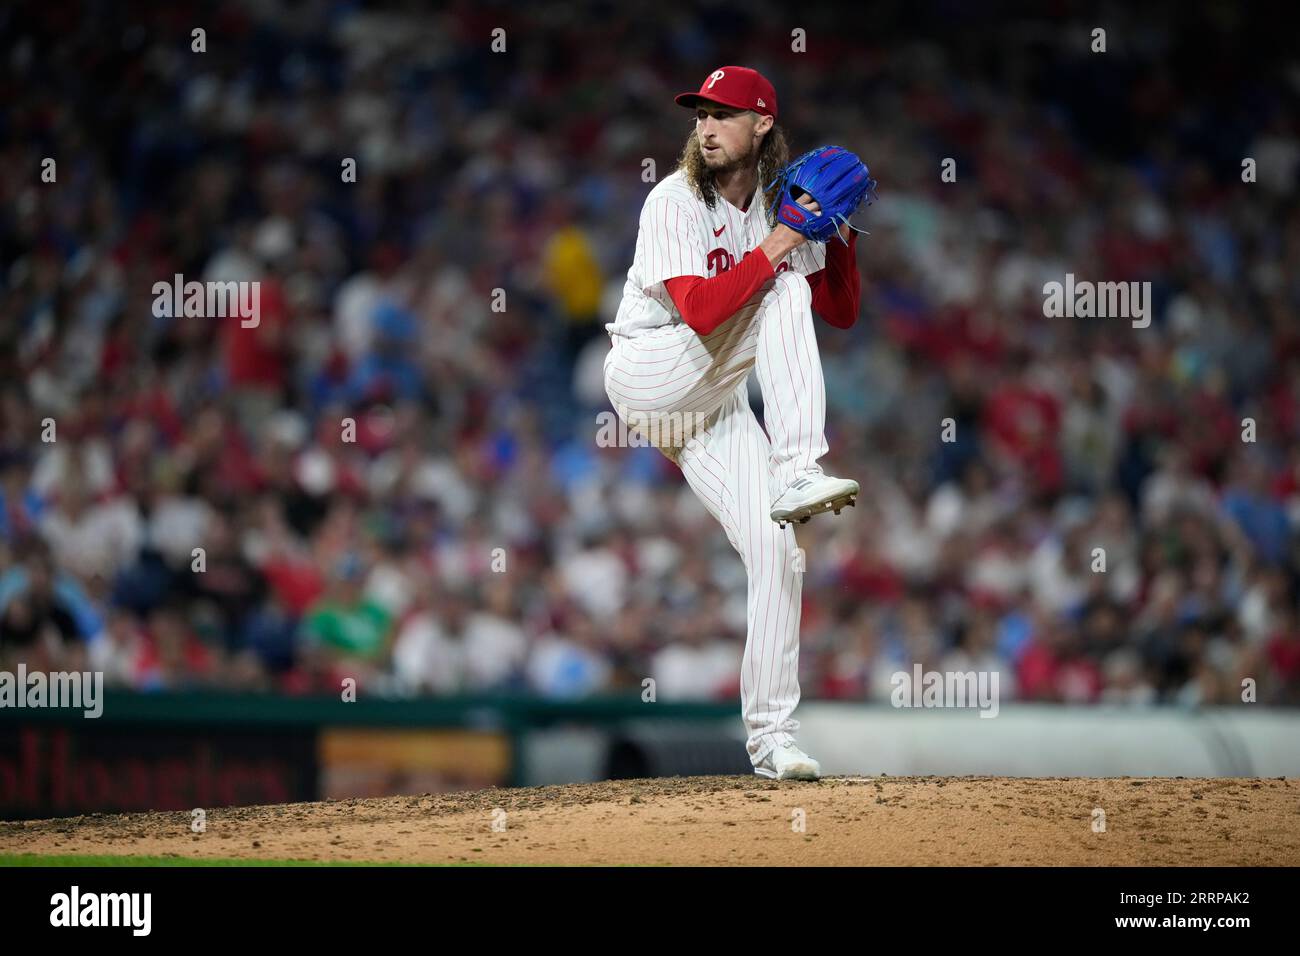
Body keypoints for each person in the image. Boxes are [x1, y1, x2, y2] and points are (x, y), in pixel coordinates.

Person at [603, 66, 863, 779]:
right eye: (700, 114)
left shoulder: (782, 205)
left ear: (763, 125)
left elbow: (840, 310)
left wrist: (836, 235)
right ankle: (799, 464)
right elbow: (705, 312)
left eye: (723, 113)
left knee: (780, 550)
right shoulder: (675, 199)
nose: (706, 126)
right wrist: (784, 244)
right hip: (651, 374)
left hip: (710, 410)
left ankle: (773, 739)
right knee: (779, 295)